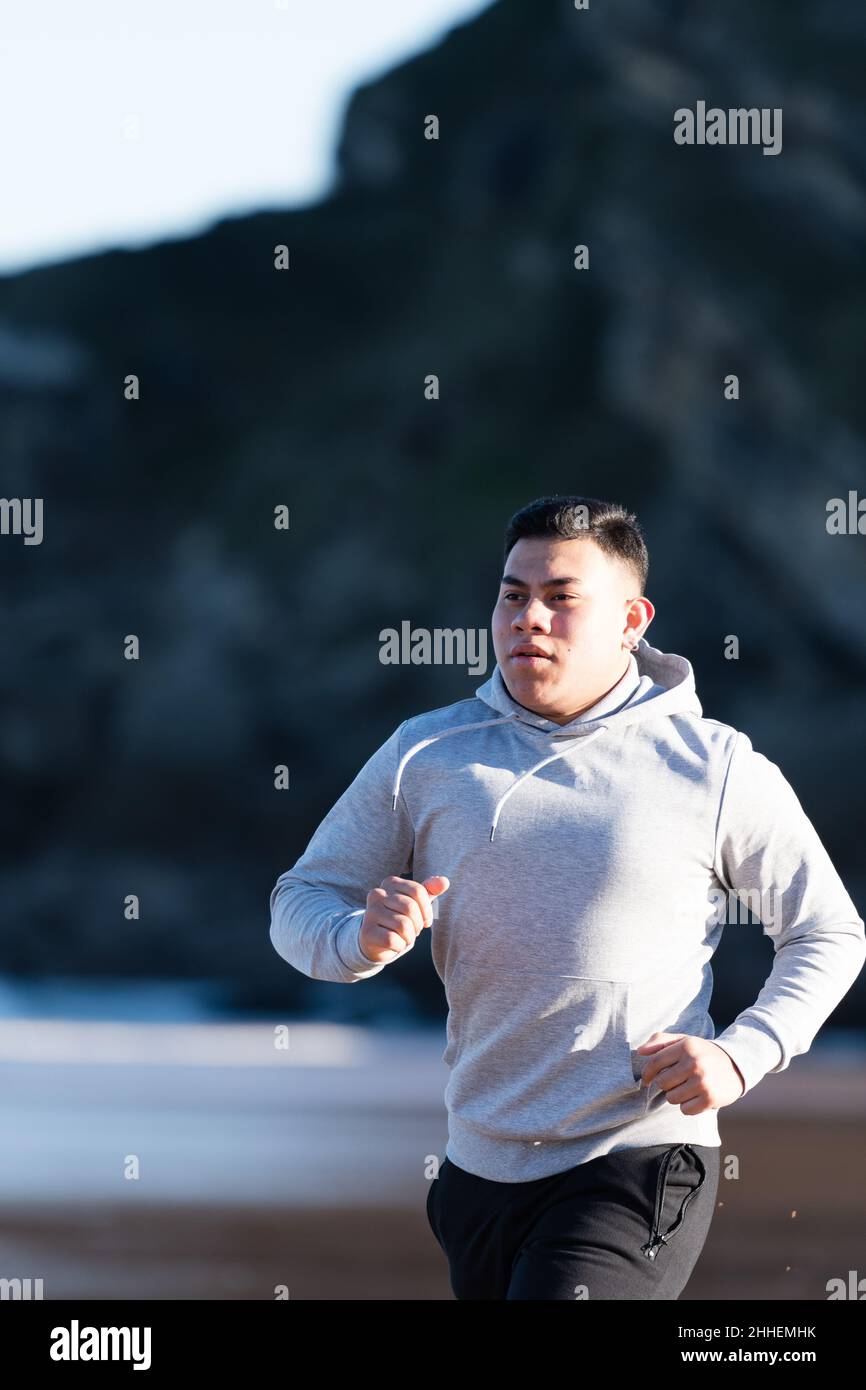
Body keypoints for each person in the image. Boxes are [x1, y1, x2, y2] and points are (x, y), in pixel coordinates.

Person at [268, 494, 866, 1300]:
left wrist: (741, 1053)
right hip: (478, 1168)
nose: (529, 619)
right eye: (513, 596)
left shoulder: (714, 766)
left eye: (560, 599)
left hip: (639, 1158)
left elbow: (829, 931)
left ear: (632, 620)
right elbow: (300, 899)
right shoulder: (427, 754)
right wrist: (358, 941)